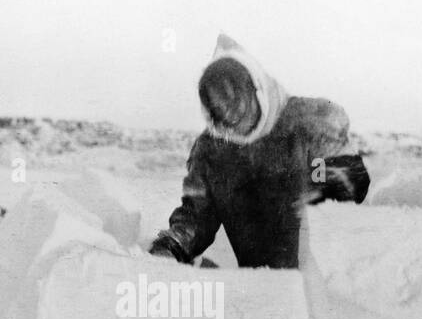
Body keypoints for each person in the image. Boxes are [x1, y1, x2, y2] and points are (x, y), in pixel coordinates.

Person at [149, 34, 370, 269]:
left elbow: (352, 189)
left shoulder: (307, 123)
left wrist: (322, 165)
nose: (230, 116)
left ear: (255, 88)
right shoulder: (212, 152)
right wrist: (173, 245)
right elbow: (197, 215)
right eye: (219, 109)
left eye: (235, 100)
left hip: (324, 284)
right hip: (265, 288)